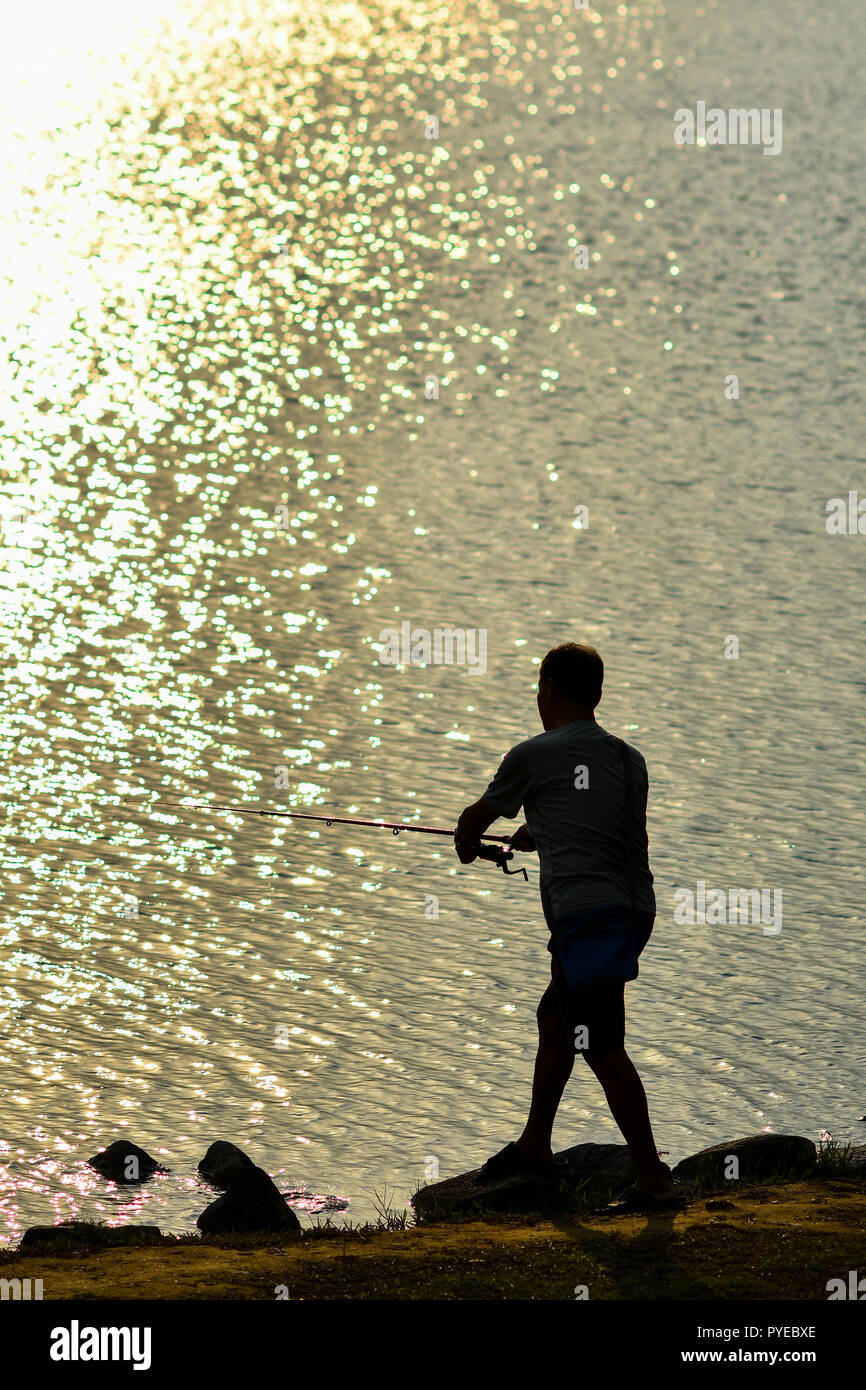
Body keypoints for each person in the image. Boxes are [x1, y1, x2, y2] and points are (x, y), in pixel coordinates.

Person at [454, 641, 680, 1211]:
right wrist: (542, 830)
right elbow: (602, 826)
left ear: (548, 688)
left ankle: (652, 1178)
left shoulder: (531, 755)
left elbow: (470, 827)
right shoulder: (629, 759)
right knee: (556, 1018)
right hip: (635, 910)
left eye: (539, 686)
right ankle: (536, 1145)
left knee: (601, 1043)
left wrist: (473, 844)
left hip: (589, 915)